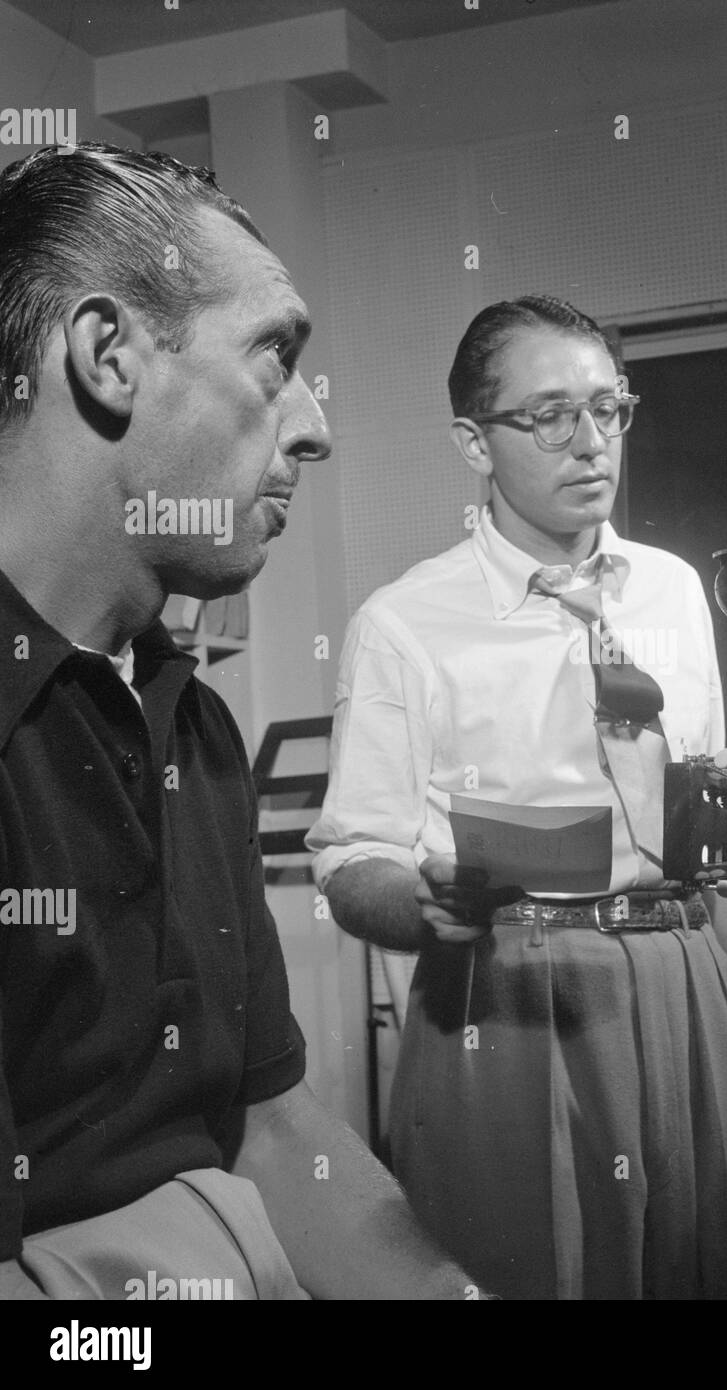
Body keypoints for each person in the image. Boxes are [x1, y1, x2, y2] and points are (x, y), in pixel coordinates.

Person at [0, 143, 477, 1300]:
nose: (314, 429)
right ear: (109, 355)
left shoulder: (193, 730)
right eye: (276, 355)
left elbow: (269, 1130)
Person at [309, 296, 727, 1300]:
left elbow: (703, 809)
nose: (589, 441)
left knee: (717, 1265)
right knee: (534, 1268)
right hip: (508, 990)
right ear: (472, 441)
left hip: (683, 963)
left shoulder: (673, 590)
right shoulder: (404, 622)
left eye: (609, 408)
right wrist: (425, 905)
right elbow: (350, 862)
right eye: (548, 414)